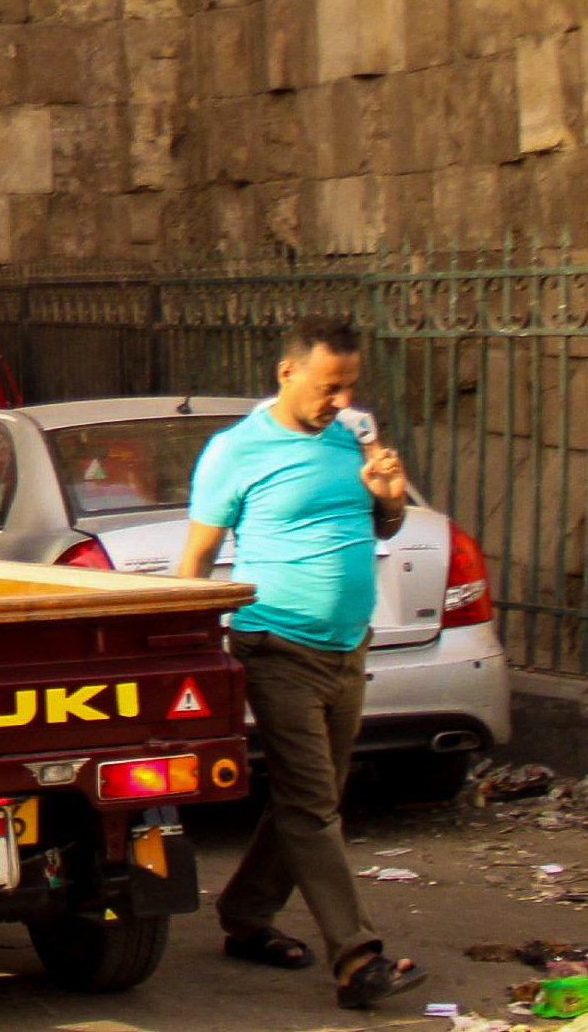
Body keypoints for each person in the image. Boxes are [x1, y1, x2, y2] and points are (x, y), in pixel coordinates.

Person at [176, 317, 420, 1010]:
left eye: (349, 386)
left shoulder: (350, 440)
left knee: (311, 800)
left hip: (347, 648)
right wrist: (188, 648)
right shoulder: (236, 451)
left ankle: (246, 916)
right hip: (275, 645)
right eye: (327, 387)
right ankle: (358, 958)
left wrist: (390, 494)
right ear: (287, 374)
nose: (340, 401)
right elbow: (196, 557)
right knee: (314, 806)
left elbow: (380, 527)